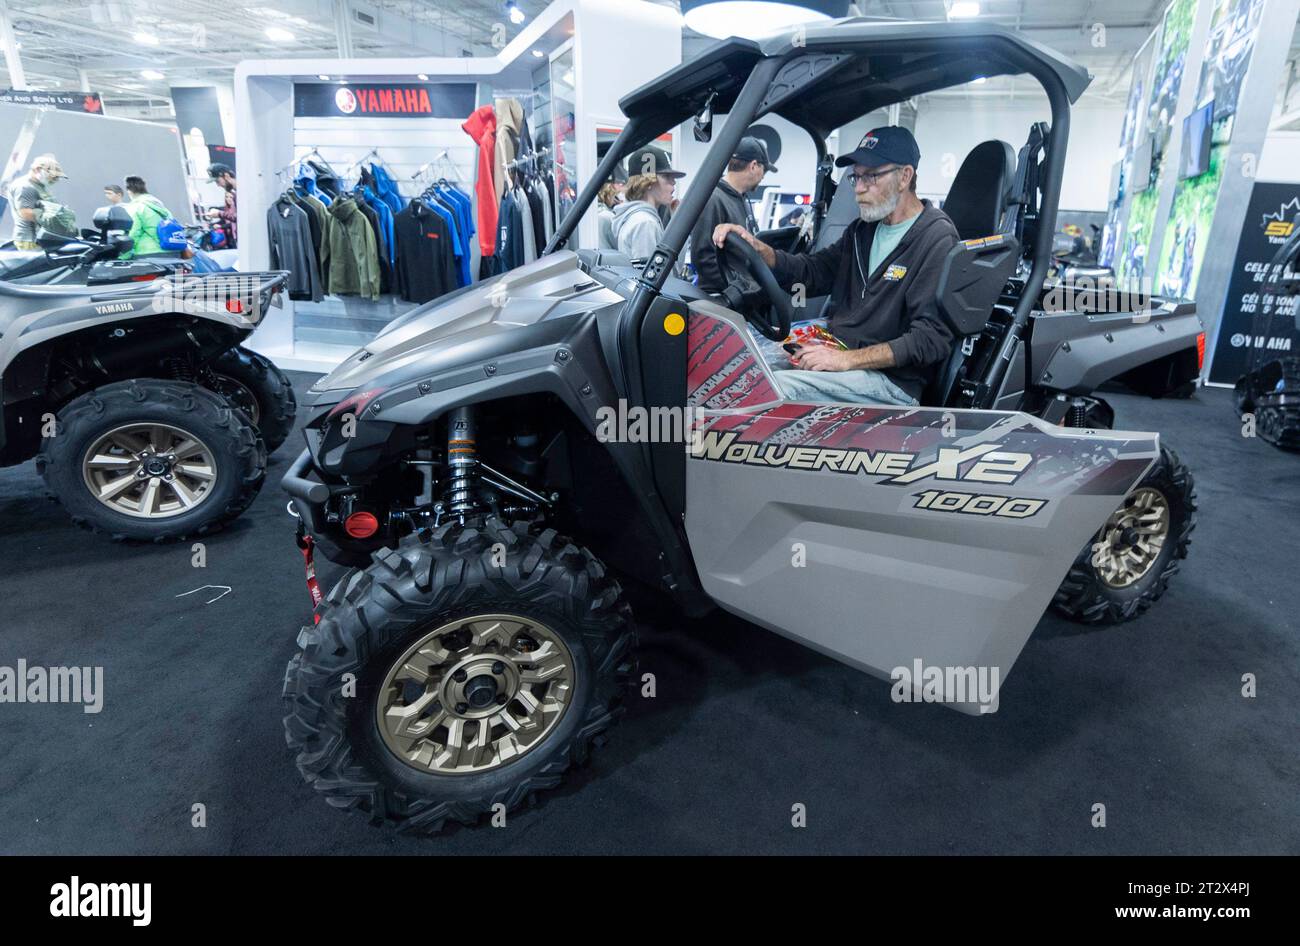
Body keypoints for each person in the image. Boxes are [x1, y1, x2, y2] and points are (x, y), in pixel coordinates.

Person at [713, 126, 958, 407]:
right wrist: (761, 251)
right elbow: (813, 272)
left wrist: (845, 360)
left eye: (871, 176)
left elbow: (929, 340)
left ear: (905, 176)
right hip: (840, 347)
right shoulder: (863, 231)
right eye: (856, 177)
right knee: (741, 364)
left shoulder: (935, 238)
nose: (859, 188)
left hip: (891, 382)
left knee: (766, 388)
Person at [689, 136, 776, 294]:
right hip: (722, 299)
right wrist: (738, 289)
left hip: (742, 293)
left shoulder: (741, 199)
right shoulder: (713, 199)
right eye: (764, 170)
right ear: (754, 166)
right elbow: (703, 258)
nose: (763, 176)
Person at [611, 146, 684, 260]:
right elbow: (652, 276)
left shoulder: (638, 217)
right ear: (647, 182)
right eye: (666, 177)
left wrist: (676, 219)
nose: (673, 182)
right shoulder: (645, 223)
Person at [8, 154, 68, 250]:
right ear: (37, 169)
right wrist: (56, 219)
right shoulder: (25, 186)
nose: (55, 179)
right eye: (52, 175)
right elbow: (25, 213)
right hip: (31, 240)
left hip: (41, 238)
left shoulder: (39, 185)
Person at [122, 175, 174, 258]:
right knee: (177, 271)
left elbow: (132, 233)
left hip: (149, 255)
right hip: (174, 253)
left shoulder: (136, 207)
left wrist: (123, 256)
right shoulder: (162, 207)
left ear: (129, 191)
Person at [207, 163, 237, 248]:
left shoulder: (241, 193)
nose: (218, 185)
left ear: (226, 176)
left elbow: (241, 218)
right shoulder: (231, 193)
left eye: (218, 181)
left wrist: (219, 214)